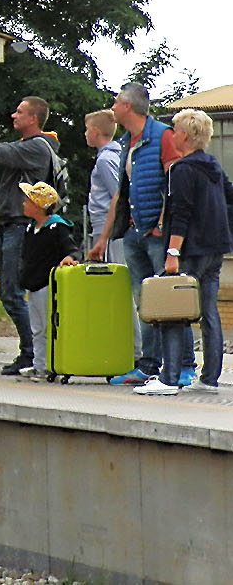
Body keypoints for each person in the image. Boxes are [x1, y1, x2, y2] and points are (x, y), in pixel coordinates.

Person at [91, 82, 191, 386]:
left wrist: (162, 223)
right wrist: (104, 239)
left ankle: (184, 365)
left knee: (169, 300)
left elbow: (175, 183)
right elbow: (120, 193)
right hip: (134, 230)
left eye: (117, 101)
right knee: (144, 300)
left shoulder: (162, 136)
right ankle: (150, 365)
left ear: (128, 107)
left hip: (157, 232)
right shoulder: (126, 142)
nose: (112, 105)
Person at [0, 94, 64, 375]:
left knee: (12, 292)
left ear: (34, 119)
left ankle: (31, 352)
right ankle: (31, 352)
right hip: (12, 224)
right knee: (11, 291)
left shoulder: (36, 148)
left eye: (19, 112)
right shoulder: (30, 147)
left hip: (18, 226)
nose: (13, 116)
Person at [135, 108, 233, 396]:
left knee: (174, 311)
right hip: (215, 248)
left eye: (176, 130)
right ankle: (210, 378)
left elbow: (181, 212)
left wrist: (172, 252)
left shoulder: (181, 169)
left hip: (189, 249)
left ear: (187, 136)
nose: (172, 134)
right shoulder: (212, 166)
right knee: (209, 312)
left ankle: (170, 377)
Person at [16, 181, 80, 378]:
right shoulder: (31, 228)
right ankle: (39, 364)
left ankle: (51, 365)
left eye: (28, 200)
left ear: (39, 205)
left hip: (47, 284)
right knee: (37, 328)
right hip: (33, 283)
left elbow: (72, 249)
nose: (24, 203)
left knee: (48, 326)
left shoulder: (57, 227)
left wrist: (70, 258)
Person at [83, 110, 126, 260]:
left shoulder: (105, 160)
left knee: (110, 268)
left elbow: (118, 193)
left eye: (87, 129)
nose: (85, 133)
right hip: (106, 224)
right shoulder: (114, 155)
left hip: (105, 223)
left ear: (95, 132)